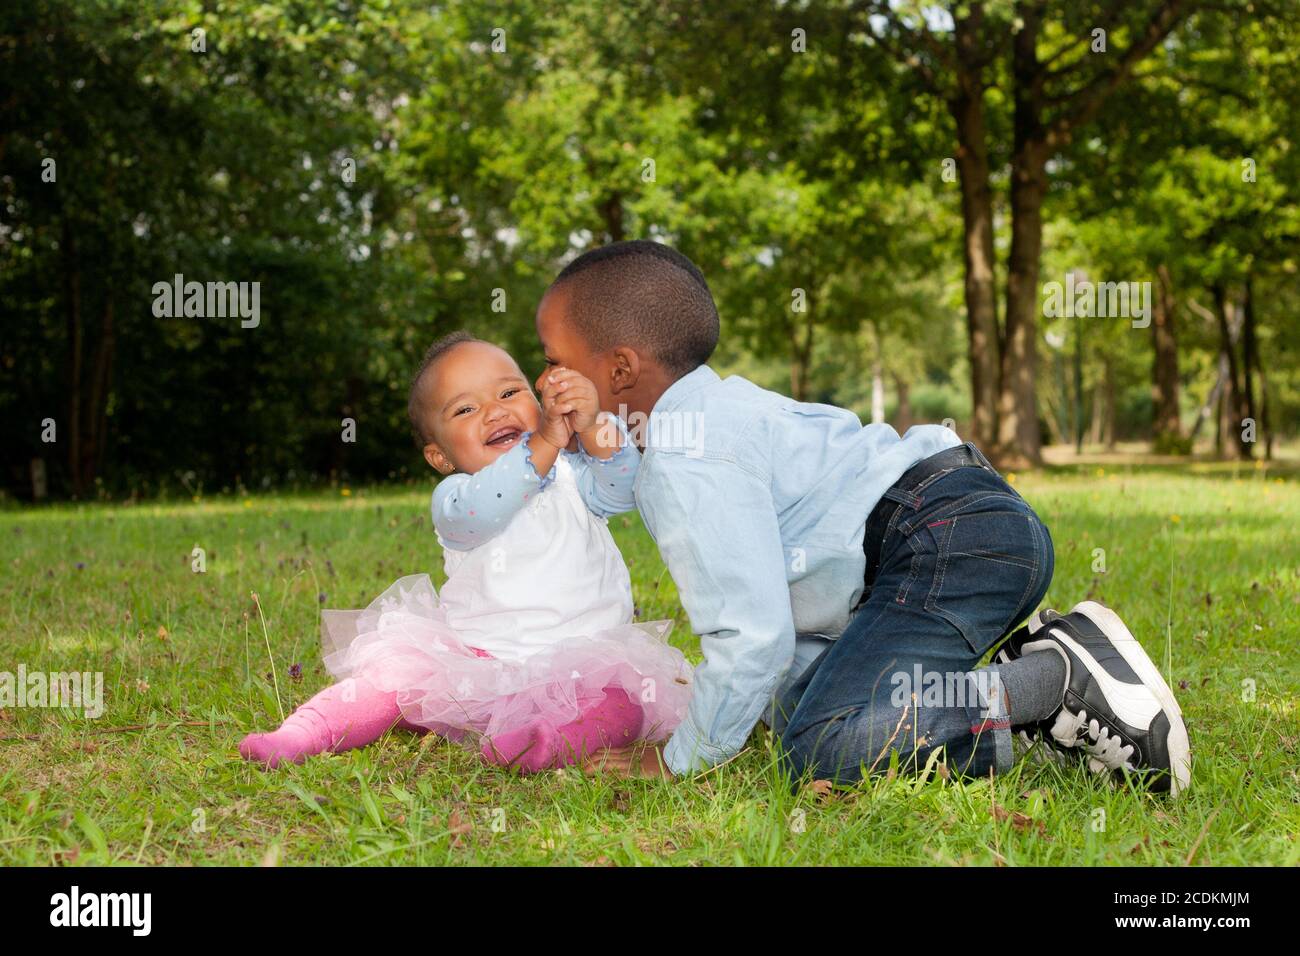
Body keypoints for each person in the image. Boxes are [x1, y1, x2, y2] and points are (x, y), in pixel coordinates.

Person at [533, 239, 1190, 796]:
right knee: (795, 711)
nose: (546, 377)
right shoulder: (706, 415)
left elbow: (753, 639)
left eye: (557, 360)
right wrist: (583, 429)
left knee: (821, 748)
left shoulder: (688, 457)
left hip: (944, 543)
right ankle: (1015, 683)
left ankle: (1052, 684)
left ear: (620, 367)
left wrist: (681, 758)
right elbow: (612, 489)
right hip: (965, 528)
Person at [238, 332, 693, 772]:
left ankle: (545, 743)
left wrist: (593, 424)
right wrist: (545, 444)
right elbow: (487, 506)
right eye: (466, 408)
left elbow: (626, 487)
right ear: (440, 457)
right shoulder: (456, 495)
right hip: (473, 662)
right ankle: (303, 733)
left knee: (624, 709)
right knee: (385, 687)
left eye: (510, 392)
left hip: (582, 665)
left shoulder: (576, 475)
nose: (495, 411)